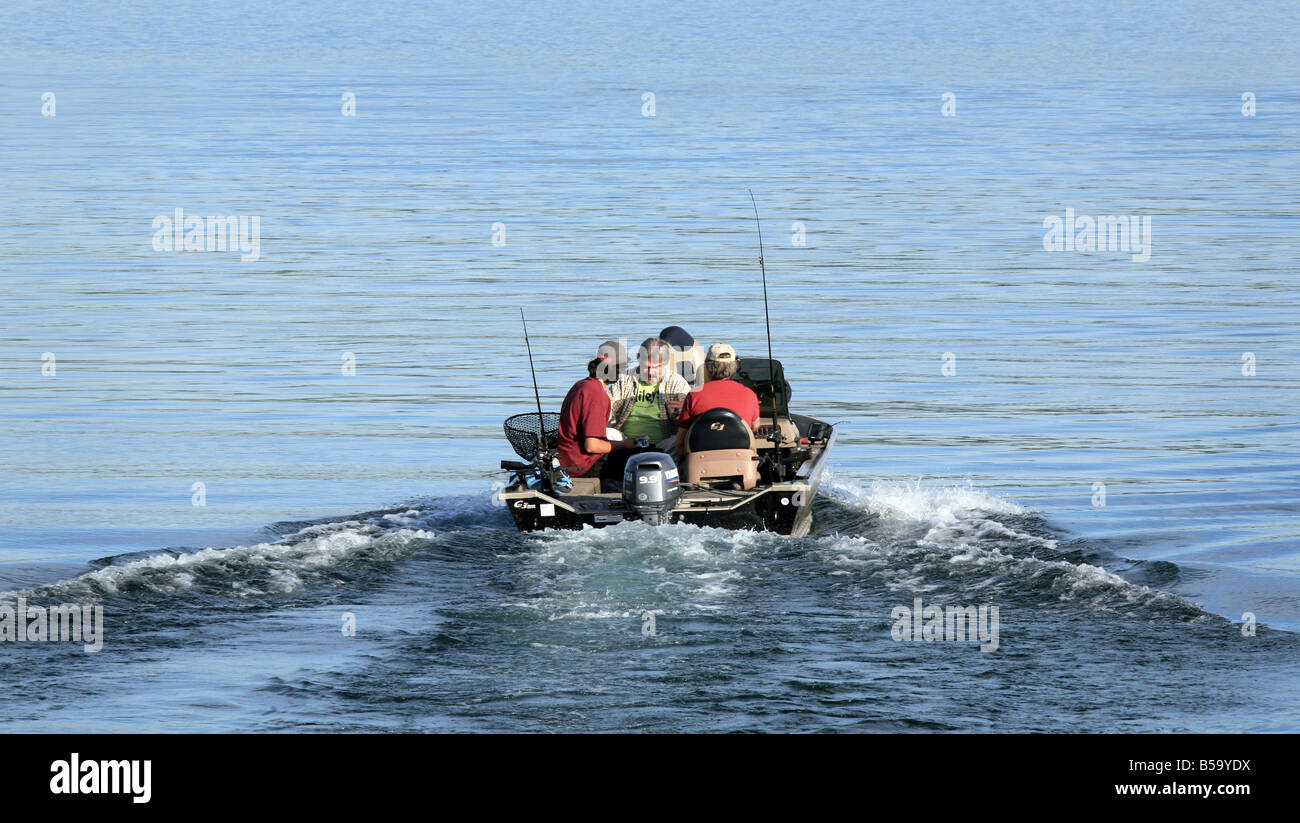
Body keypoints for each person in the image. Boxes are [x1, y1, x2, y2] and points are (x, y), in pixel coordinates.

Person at [558, 353, 646, 485]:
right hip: (583, 466)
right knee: (641, 459)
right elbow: (592, 446)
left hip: (568, 458)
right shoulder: (596, 394)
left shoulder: (581, 385)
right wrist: (625, 444)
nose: (621, 375)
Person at [610, 337, 691, 452]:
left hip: (664, 444)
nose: (650, 372)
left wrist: (686, 410)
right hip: (625, 442)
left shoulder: (677, 383)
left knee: (683, 438)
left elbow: (690, 414)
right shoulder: (625, 379)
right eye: (645, 367)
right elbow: (608, 407)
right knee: (607, 433)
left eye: (656, 367)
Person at [675, 343, 760, 448]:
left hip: (702, 459)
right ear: (735, 367)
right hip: (740, 459)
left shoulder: (694, 395)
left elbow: (680, 441)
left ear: (707, 367)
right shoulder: (749, 394)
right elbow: (755, 426)